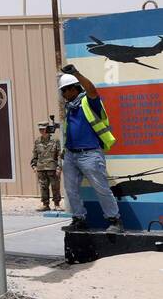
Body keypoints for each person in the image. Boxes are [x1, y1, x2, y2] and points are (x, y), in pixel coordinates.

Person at [58, 65, 122, 233]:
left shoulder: (89, 101)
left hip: (90, 154)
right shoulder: (69, 107)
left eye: (66, 89)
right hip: (71, 155)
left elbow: (92, 89)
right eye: (62, 90)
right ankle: (79, 219)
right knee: (71, 189)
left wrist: (76, 73)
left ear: (75, 88)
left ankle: (114, 220)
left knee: (101, 188)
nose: (63, 93)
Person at [30, 123, 62, 212]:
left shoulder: (55, 140)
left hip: (52, 168)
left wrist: (59, 167)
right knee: (43, 187)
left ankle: (57, 204)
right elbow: (35, 155)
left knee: (55, 187)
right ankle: (45, 204)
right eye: (40, 129)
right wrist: (34, 166)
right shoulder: (37, 141)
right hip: (41, 168)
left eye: (43, 129)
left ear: (48, 129)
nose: (42, 131)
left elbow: (59, 155)